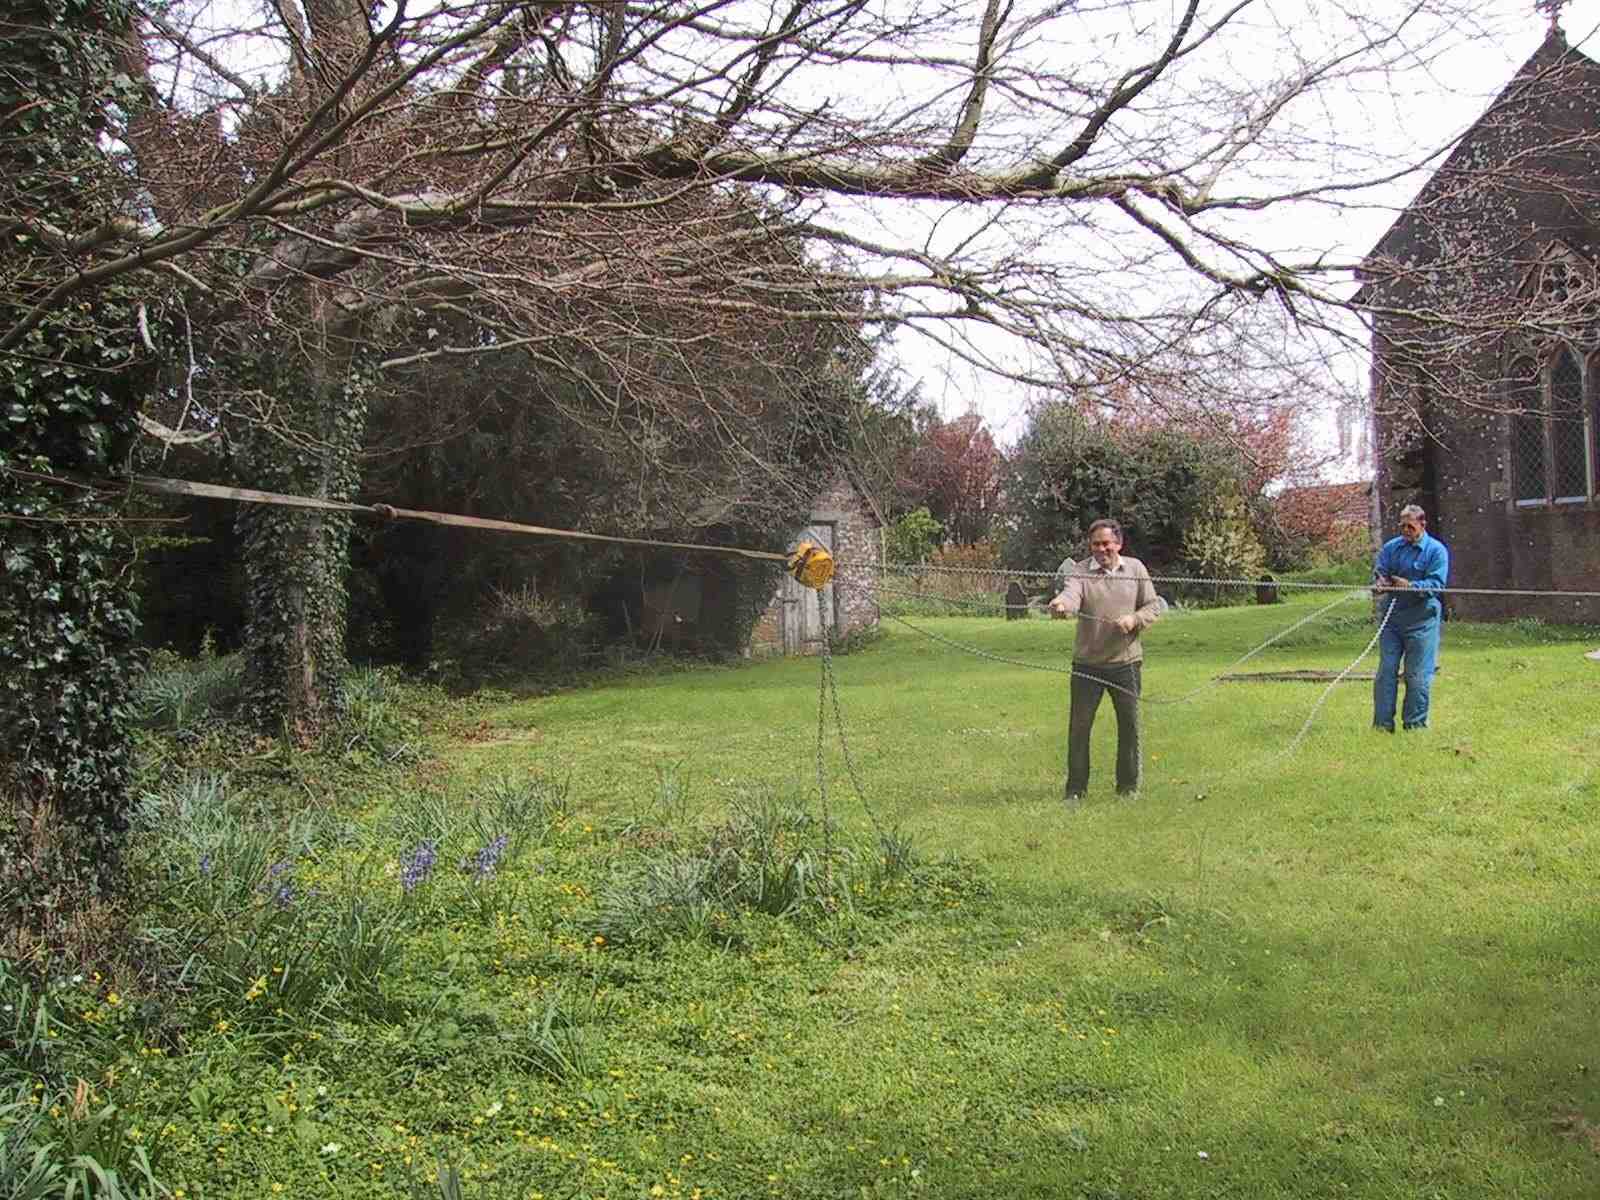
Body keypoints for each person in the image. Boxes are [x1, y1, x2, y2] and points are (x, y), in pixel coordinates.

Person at [1048, 519, 1163, 803]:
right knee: (1079, 728)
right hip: (1087, 665)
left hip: (1126, 664)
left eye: (1106, 543)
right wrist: (1062, 606)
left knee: (1130, 726)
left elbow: (1154, 605)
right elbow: (1071, 595)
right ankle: (1075, 792)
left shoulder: (1135, 569)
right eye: (1096, 544)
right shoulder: (1080, 571)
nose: (1101, 549)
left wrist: (1134, 619)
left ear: (1118, 543)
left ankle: (1128, 789)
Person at [1371, 503, 1450, 732]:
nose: (1405, 530)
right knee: (1386, 672)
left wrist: (1412, 586)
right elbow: (1381, 572)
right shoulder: (1391, 548)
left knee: (1417, 676)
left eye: (1410, 526)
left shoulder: (1436, 551)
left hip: (1422, 621)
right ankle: (1382, 726)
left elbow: (1437, 585)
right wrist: (1380, 584)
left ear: (1422, 525)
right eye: (1402, 526)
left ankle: (1415, 726)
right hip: (1392, 620)